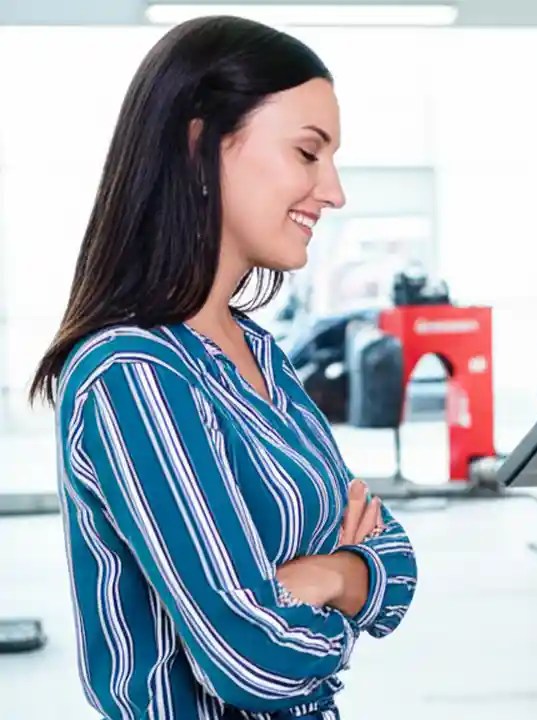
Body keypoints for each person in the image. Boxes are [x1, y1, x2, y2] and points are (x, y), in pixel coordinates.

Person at [28, 16, 418, 720]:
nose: (333, 192)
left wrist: (325, 576)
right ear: (201, 143)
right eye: (308, 152)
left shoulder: (259, 353)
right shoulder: (135, 376)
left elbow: (396, 557)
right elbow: (249, 658)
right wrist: (343, 579)